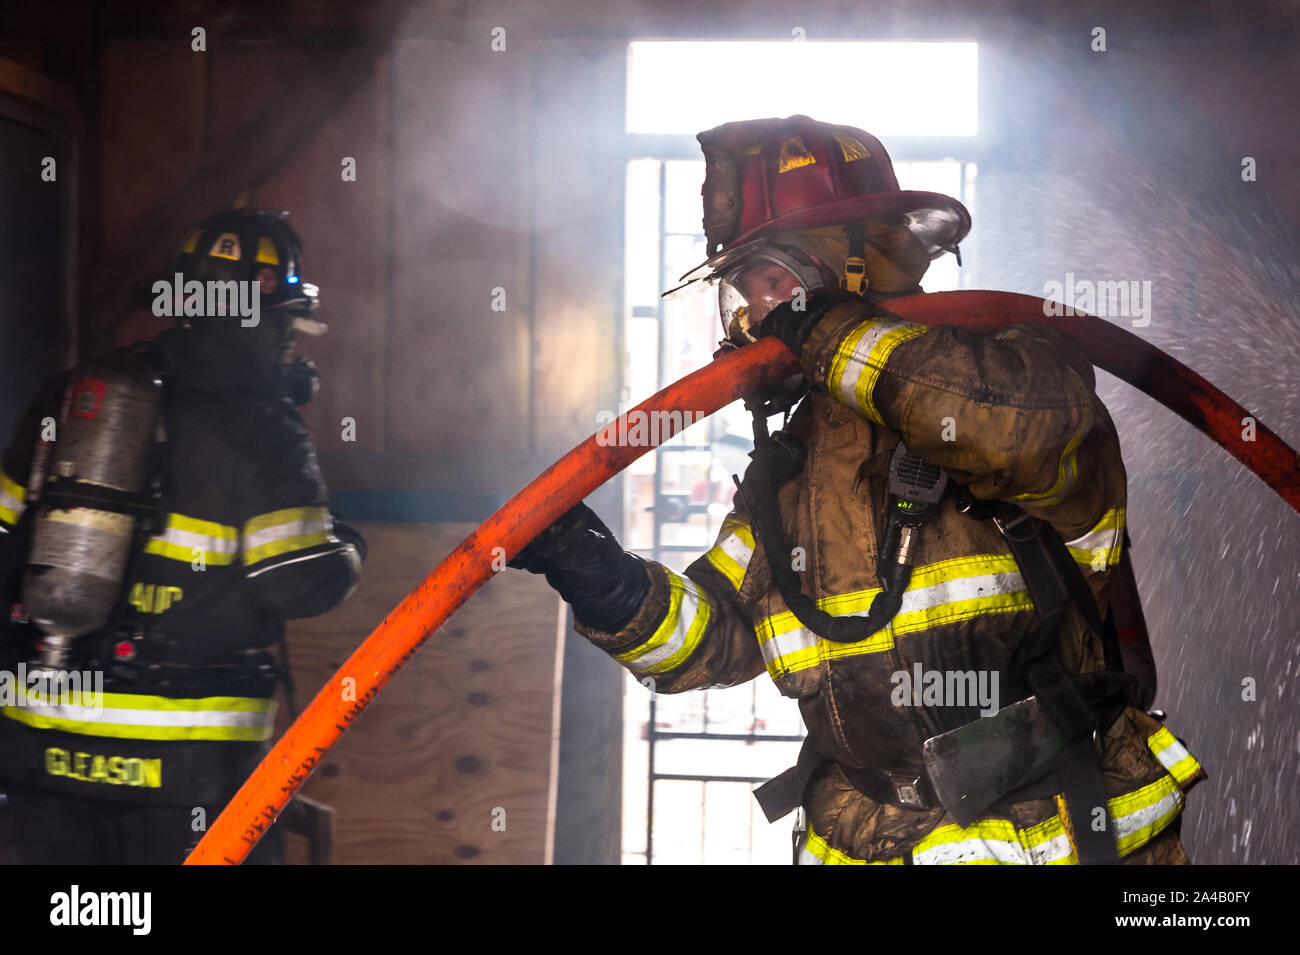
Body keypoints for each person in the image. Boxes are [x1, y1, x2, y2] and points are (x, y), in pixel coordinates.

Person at [511, 115, 1203, 865]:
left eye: (775, 277)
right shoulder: (788, 474)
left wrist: (832, 334)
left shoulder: (1021, 365)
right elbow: (715, 641)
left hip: (1070, 833)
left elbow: (1006, 427)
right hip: (877, 837)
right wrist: (600, 579)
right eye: (744, 290)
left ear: (859, 259)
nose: (758, 312)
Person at [0, 208, 363, 864]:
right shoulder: (264, 428)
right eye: (289, 328)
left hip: (40, 762)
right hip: (187, 772)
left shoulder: (72, 399)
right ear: (275, 320)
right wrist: (350, 545)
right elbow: (300, 579)